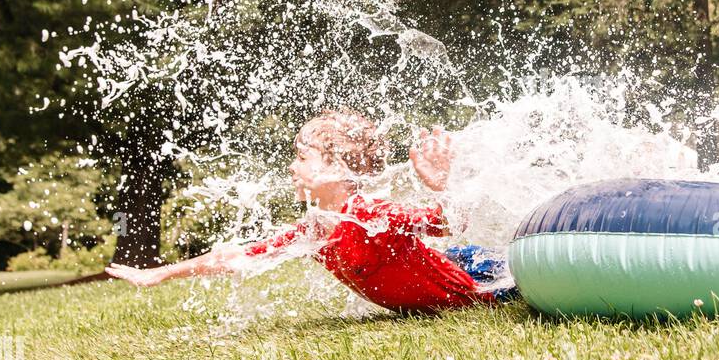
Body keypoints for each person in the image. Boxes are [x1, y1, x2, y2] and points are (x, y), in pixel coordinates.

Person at [105, 110, 512, 312]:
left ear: (336, 167)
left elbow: (449, 221)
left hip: (474, 280)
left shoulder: (368, 214)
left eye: (301, 157)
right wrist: (160, 273)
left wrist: (442, 184)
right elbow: (237, 257)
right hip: (448, 264)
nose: (291, 166)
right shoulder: (317, 228)